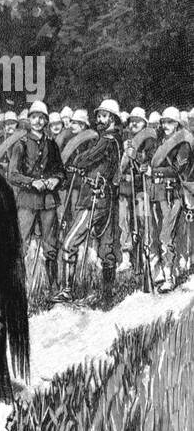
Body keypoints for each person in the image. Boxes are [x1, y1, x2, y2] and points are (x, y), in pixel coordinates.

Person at [54, 99, 123, 304]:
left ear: (112, 118)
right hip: (108, 199)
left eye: (103, 116)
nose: (99, 119)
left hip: (95, 198)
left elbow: (87, 158)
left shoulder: (108, 139)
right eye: (99, 115)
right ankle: (107, 296)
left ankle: (67, 290)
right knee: (106, 249)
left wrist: (79, 163)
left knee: (69, 243)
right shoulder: (114, 139)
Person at [6, 101, 65, 294]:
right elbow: (12, 175)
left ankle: (53, 289)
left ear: (46, 121)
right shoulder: (20, 144)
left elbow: (61, 171)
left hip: (48, 200)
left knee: (51, 245)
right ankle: (15, 288)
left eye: (42, 118)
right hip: (27, 201)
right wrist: (32, 182)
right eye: (34, 117)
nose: (38, 121)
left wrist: (55, 180)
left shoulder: (52, 144)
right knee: (20, 244)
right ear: (29, 120)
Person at [144, 106, 191, 293]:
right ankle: (161, 273)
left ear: (177, 124)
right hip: (158, 193)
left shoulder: (183, 145)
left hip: (175, 193)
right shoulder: (159, 142)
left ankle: (169, 276)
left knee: (167, 234)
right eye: (164, 122)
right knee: (158, 234)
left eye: (169, 122)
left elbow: (179, 169)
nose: (165, 125)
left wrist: (154, 171)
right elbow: (148, 159)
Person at [117, 106, 155, 271]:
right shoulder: (124, 142)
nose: (133, 125)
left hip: (142, 187)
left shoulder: (150, 141)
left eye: (137, 122)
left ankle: (148, 258)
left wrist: (139, 158)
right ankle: (126, 258)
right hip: (126, 187)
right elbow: (120, 167)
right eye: (131, 122)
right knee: (123, 221)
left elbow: (151, 161)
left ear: (143, 123)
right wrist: (126, 155)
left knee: (143, 220)